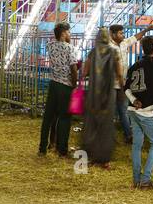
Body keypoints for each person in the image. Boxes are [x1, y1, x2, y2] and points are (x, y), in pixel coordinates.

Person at [123, 35, 153, 189]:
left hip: (133, 109)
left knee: (137, 145)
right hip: (147, 110)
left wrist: (133, 100)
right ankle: (145, 180)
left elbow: (125, 88)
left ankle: (136, 180)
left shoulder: (134, 65)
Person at [80, 28, 121, 168]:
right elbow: (119, 74)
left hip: (93, 95)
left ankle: (92, 157)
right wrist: (122, 88)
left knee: (93, 124)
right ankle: (105, 159)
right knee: (106, 125)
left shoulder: (92, 52)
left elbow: (84, 72)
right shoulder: (114, 52)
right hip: (108, 94)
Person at [38, 22, 78, 157]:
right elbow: (73, 69)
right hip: (65, 86)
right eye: (69, 32)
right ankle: (62, 150)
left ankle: (42, 148)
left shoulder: (50, 46)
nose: (70, 34)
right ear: (63, 33)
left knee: (48, 117)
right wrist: (74, 85)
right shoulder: (69, 48)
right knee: (65, 118)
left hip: (53, 84)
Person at [109, 24, 136, 144]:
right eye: (121, 33)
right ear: (113, 34)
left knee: (123, 110)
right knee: (111, 112)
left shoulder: (124, 43)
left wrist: (146, 30)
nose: (123, 35)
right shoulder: (109, 47)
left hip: (122, 83)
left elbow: (135, 37)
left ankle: (128, 135)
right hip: (112, 85)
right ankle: (111, 137)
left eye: (123, 33)